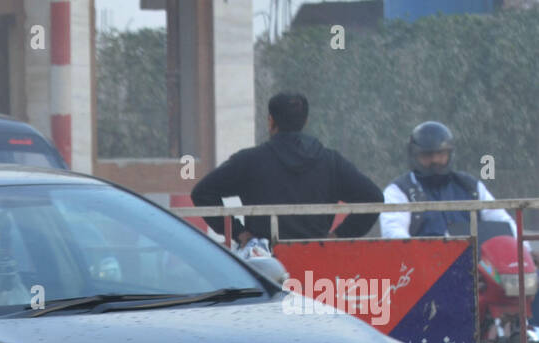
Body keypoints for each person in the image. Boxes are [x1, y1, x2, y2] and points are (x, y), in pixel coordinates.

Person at [191, 91, 384, 247]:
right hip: (318, 265)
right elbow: (373, 197)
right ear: (305, 121)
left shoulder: (249, 161)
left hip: (265, 266)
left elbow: (202, 193)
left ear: (270, 121)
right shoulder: (331, 162)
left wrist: (237, 232)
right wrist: (338, 236)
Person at [380, 121, 526, 247]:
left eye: (441, 154)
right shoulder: (398, 191)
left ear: (450, 155)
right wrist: (422, 256)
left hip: (478, 269)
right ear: (414, 156)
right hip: (425, 271)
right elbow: (394, 234)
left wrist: (526, 250)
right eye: (427, 155)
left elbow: (504, 223)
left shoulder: (470, 186)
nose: (435, 160)